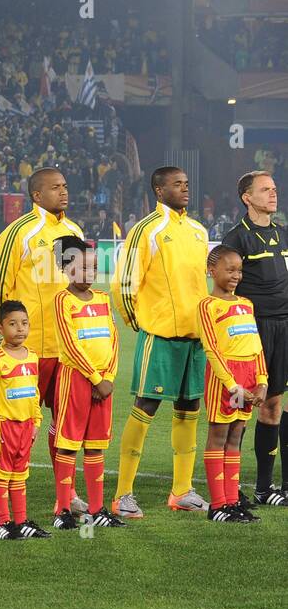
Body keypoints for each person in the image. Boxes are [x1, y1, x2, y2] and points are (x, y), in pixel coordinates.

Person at [0, 167, 88, 513]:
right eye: (55, 188)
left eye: (65, 186)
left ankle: (66, 495)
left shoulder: (73, 231)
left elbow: (80, 286)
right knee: (12, 421)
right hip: (25, 351)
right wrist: (9, 333)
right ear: (37, 195)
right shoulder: (19, 232)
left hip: (66, 350)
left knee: (65, 426)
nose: (64, 192)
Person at [110, 166, 211, 518]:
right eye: (177, 184)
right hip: (161, 336)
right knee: (146, 406)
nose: (185, 189)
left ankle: (182, 490)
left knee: (189, 410)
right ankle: (123, 494)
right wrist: (141, 323)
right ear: (158, 189)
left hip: (195, 339)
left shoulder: (198, 231)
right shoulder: (147, 230)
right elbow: (125, 282)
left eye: (187, 183)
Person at [220, 171, 288, 507]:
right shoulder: (236, 239)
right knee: (243, 408)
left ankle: (265, 487)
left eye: (274, 189)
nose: (273, 194)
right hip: (253, 330)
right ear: (247, 197)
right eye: (265, 190)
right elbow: (223, 289)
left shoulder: (283, 234)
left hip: (284, 327)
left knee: (275, 405)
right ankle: (230, 489)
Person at [51, 236, 123, 529]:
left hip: (102, 384)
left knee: (96, 447)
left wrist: (107, 378)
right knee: (68, 445)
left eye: (93, 267)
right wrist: (95, 378)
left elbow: (114, 340)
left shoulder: (104, 299)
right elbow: (69, 345)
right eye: (82, 268)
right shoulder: (63, 300)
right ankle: (63, 510)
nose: (89, 273)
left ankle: (97, 509)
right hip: (76, 382)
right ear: (67, 269)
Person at [198, 246, 266, 523]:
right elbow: (211, 349)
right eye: (230, 270)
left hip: (249, 377)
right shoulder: (207, 305)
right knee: (219, 436)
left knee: (236, 436)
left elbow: (256, 345)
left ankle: (232, 501)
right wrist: (232, 385)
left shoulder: (246, 304)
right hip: (225, 379)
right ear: (212, 271)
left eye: (239, 270)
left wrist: (261, 381)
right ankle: (218, 505)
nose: (236, 275)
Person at [0, 301, 48, 540]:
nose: (19, 329)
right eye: (12, 324)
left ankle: (20, 522)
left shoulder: (32, 357)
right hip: (4, 426)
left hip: (26, 426)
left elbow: (34, 392)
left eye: (24, 323)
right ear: (0, 328)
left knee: (20, 475)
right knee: (2, 475)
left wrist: (37, 421)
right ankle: (3, 523)